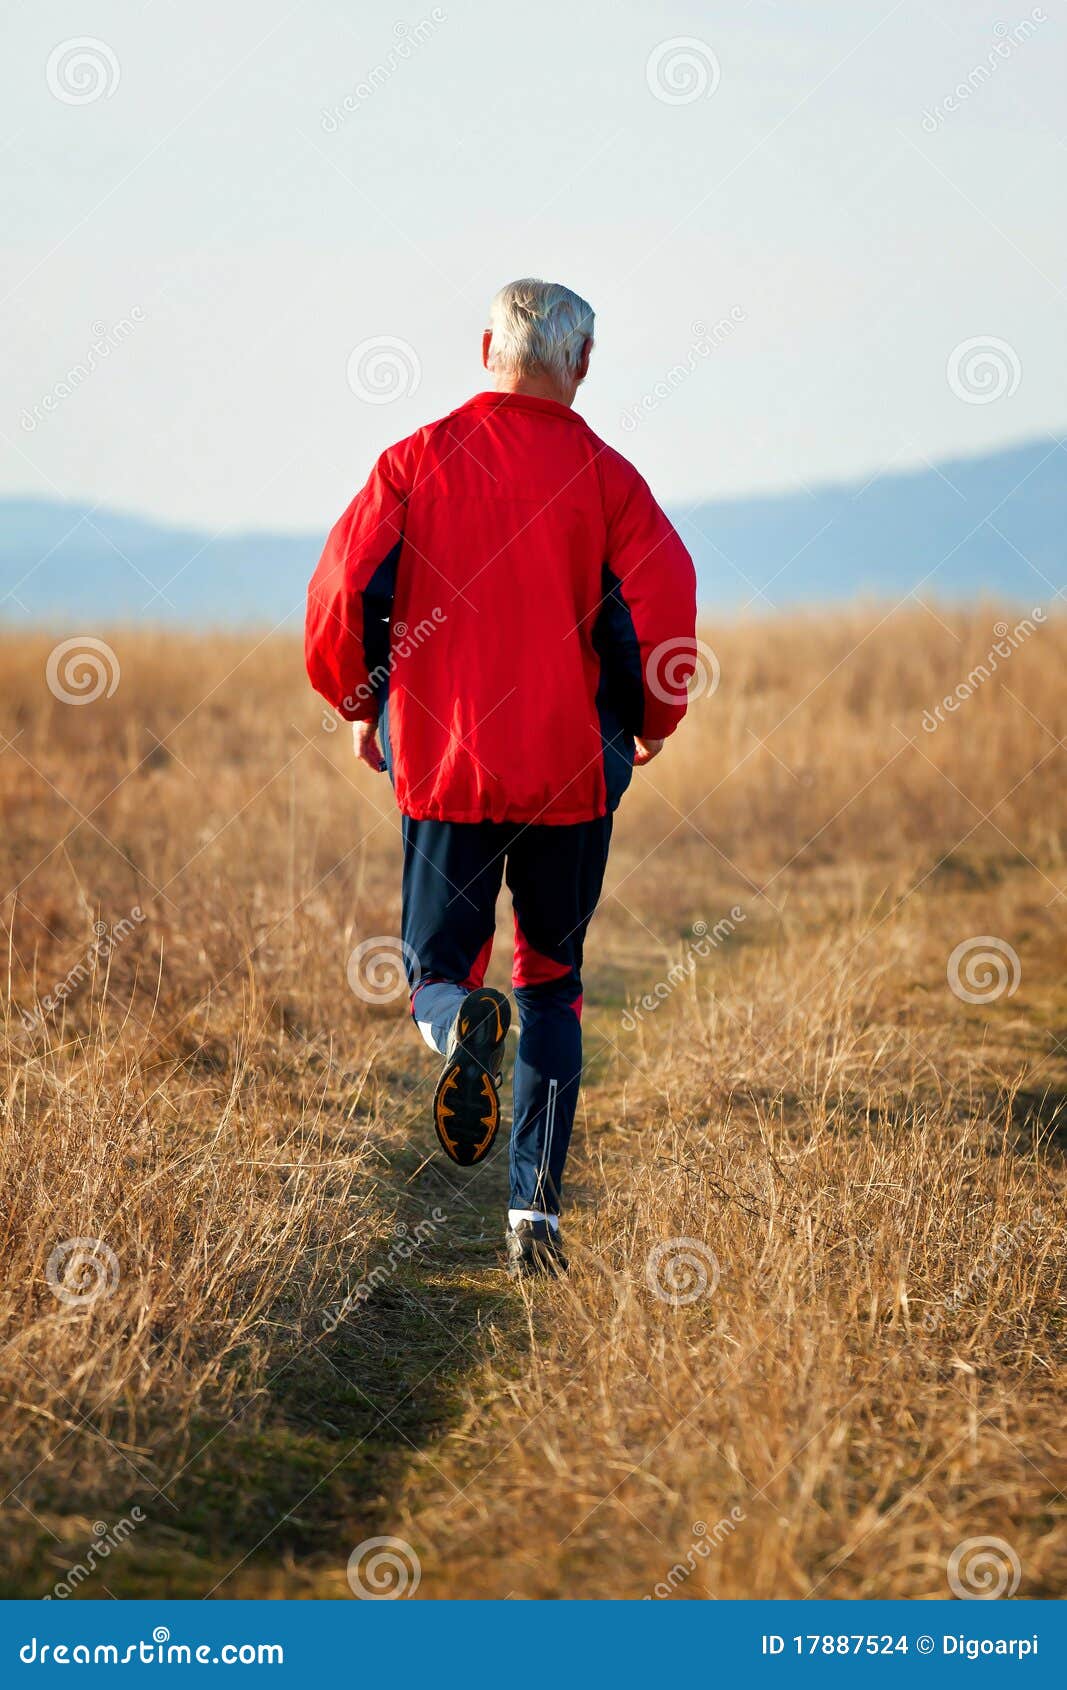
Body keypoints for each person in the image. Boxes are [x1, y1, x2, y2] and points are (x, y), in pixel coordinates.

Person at [306, 278, 696, 1277]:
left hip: (445, 768)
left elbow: (345, 591)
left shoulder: (409, 463)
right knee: (555, 985)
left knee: (435, 972)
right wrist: (650, 720)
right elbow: (661, 607)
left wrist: (363, 702)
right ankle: (533, 1217)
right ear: (582, 362)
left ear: (485, 345)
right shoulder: (609, 478)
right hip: (571, 775)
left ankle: (455, 1022)